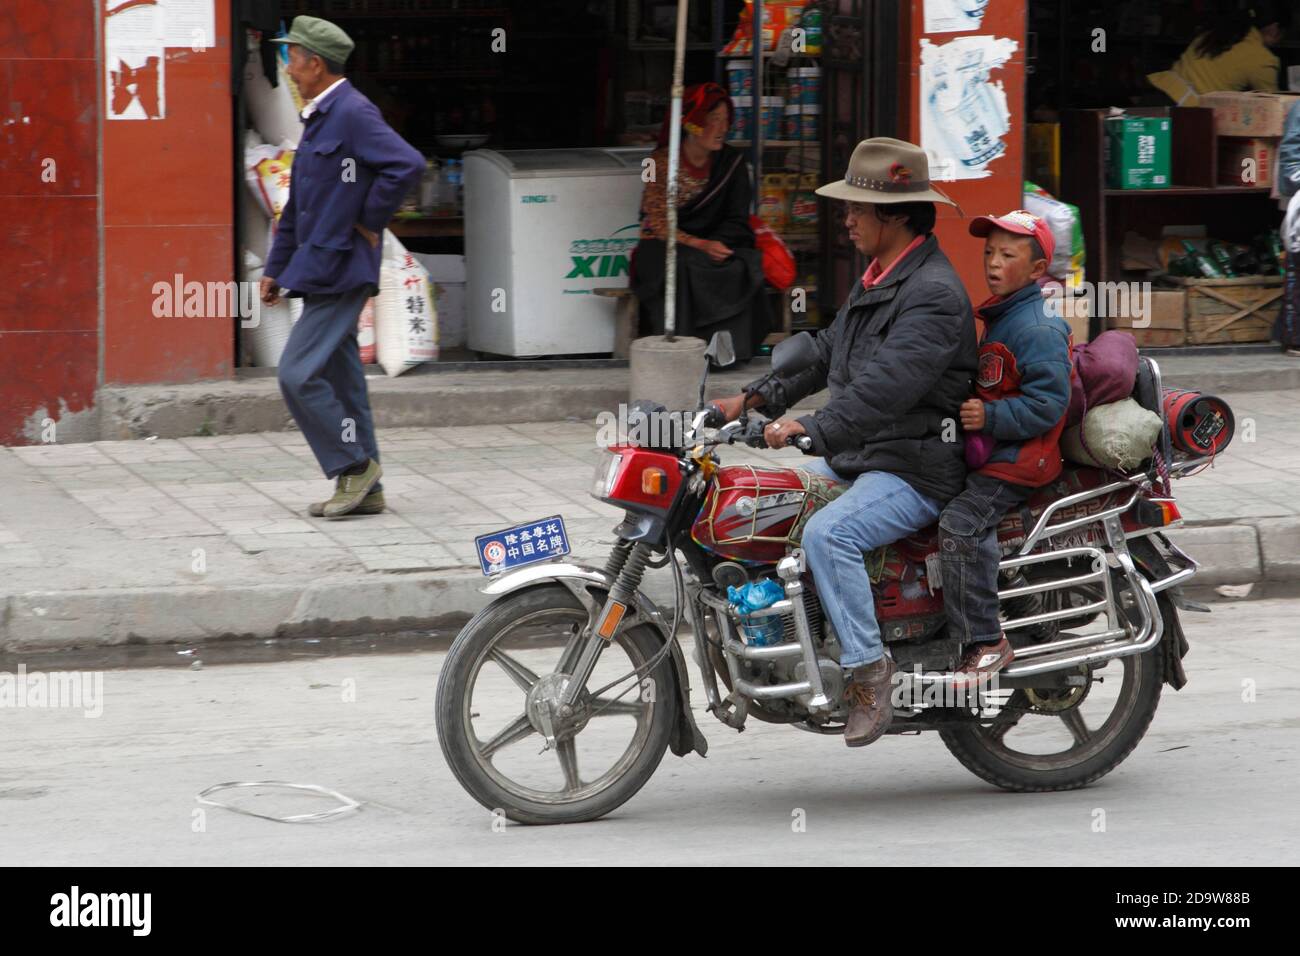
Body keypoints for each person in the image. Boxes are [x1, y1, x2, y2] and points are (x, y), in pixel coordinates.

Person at [712, 137, 977, 748]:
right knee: (764, 502)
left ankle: (867, 672)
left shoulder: (933, 294)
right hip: (868, 456)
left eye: (858, 208)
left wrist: (815, 427)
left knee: (829, 534)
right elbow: (828, 351)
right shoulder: (881, 277)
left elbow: (887, 387)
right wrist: (752, 399)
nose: (848, 219)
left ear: (897, 214)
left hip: (914, 467)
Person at [260, 16, 424, 518]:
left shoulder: (352, 111)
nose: (286, 66)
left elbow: (407, 164)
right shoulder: (318, 117)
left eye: (292, 56)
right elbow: (299, 205)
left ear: (315, 62)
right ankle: (367, 489)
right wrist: (276, 267)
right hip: (316, 266)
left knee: (295, 374)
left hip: (343, 268)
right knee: (345, 381)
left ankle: (353, 467)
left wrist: (369, 219)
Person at [938, 211, 1073, 689]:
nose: (993, 263)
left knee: (960, 524)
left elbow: (1049, 404)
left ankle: (985, 641)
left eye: (1007, 255)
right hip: (994, 453)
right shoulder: (1003, 314)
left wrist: (990, 417)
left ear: (1037, 270)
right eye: (989, 253)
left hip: (1019, 463)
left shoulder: (1036, 327)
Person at [629, 82, 769, 361]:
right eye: (714, 120)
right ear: (692, 124)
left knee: (743, 265)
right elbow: (655, 220)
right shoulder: (657, 162)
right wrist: (698, 243)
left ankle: (730, 352)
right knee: (681, 265)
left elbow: (737, 217)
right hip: (664, 244)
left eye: (726, 121)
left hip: (716, 242)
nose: (722, 128)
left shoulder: (732, 163)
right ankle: (683, 351)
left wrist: (718, 243)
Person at [1147, 1, 1283, 105]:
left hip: (1156, 93)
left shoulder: (1216, 32)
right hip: (1183, 111)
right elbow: (1271, 105)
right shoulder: (1263, 59)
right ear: (1274, 29)